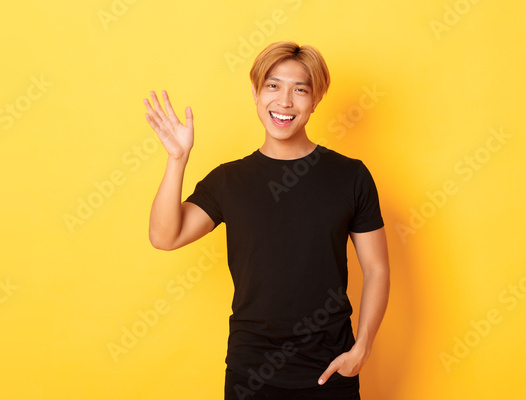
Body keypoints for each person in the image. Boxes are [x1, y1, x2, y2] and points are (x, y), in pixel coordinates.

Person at [144, 41, 390, 399]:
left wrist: (362, 349)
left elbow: (377, 268)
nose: (284, 101)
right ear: (256, 94)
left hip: (331, 370)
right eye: (273, 86)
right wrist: (177, 159)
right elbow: (164, 236)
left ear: (316, 100)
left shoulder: (350, 176)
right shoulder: (228, 180)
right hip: (250, 373)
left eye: (300, 90)